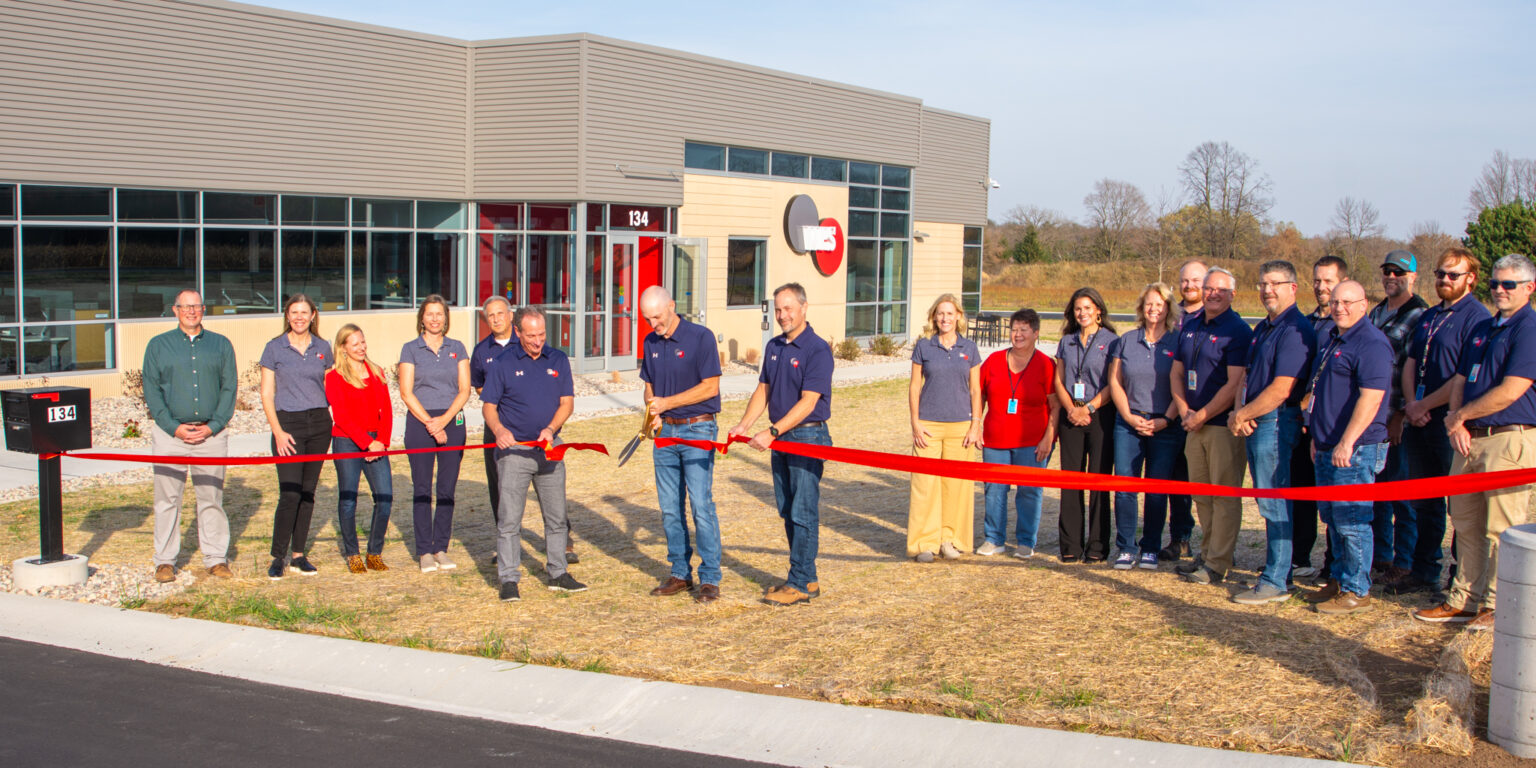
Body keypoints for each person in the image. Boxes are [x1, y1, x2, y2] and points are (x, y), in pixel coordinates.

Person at [1414, 254, 1536, 631]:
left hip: (1508, 439)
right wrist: (1456, 422)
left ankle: (1498, 605)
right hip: (1468, 439)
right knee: (1465, 524)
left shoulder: (1529, 329)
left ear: (1529, 288)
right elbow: (1460, 380)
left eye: (1509, 284)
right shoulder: (1484, 327)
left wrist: (1460, 416)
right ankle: (1464, 600)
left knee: (1502, 529)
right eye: (1495, 283)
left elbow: (1512, 390)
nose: (1499, 290)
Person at [729, 283, 834, 607]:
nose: (782, 315)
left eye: (788, 308)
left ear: (804, 307)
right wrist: (744, 425)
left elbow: (809, 402)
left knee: (803, 511)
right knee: (788, 510)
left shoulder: (817, 349)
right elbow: (764, 389)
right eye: (778, 309)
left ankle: (799, 583)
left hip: (807, 437)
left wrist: (772, 431)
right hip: (782, 439)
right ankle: (807, 577)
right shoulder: (774, 346)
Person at [1394, 248, 1489, 594]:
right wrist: (1411, 405)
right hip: (1418, 419)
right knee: (1424, 500)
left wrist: (1425, 405)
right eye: (1439, 274)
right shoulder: (1429, 315)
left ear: (1470, 278)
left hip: (1449, 422)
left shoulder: (1477, 317)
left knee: (1460, 505)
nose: (1444, 280)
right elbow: (1410, 362)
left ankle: (1462, 576)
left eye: (1453, 275)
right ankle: (1423, 570)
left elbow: (1462, 377)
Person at [1301, 280, 1393, 615]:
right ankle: (1339, 580)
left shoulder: (1372, 344)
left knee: (1352, 520)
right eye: (1336, 302)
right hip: (1328, 445)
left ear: (1364, 305)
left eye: (1348, 302)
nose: (1340, 308)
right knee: (1334, 518)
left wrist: (1347, 442)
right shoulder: (1332, 338)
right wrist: (1319, 437)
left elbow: (1371, 399)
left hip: (1355, 449)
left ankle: (1357, 589)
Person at [482, 306, 585, 601]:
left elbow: (566, 403)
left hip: (549, 450)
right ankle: (508, 579)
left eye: (541, 334)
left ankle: (558, 573)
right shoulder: (502, 363)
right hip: (514, 453)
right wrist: (499, 430)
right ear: (517, 332)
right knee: (509, 520)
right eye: (531, 336)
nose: (538, 341)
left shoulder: (558, 359)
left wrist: (551, 428)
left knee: (557, 518)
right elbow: (489, 406)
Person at [1229, 261, 1315, 604]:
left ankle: (1277, 580)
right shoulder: (1264, 327)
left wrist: (1244, 414)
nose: (1267, 290)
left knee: (1274, 500)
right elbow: (1248, 376)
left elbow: (1282, 389)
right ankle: (1279, 571)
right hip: (1255, 420)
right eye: (1263, 284)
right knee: (1266, 498)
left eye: (1275, 283)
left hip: (1276, 422)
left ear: (1293, 288)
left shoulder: (1295, 329)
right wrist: (1240, 412)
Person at [142, 289, 236, 583]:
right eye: (186, 306)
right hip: (170, 436)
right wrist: (173, 427)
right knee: (167, 500)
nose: (191, 311)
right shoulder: (158, 346)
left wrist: (214, 426)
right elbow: (151, 390)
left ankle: (216, 558)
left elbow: (229, 388)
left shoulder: (221, 345)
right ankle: (165, 561)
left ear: (203, 309)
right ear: (175, 310)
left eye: (196, 306)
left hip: (210, 436)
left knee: (211, 499)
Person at [639, 285, 725, 603]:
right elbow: (649, 387)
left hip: (698, 429)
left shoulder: (701, 337)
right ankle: (679, 573)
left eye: (657, 317)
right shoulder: (650, 342)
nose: (653, 325)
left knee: (701, 505)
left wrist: (668, 403)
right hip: (665, 434)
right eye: (647, 319)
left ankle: (710, 578)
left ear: (672, 306)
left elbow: (710, 387)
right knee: (669, 509)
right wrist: (653, 410)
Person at [1170, 267, 1253, 586]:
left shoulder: (1238, 331)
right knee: (1202, 496)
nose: (1212, 294)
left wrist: (1202, 415)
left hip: (1220, 426)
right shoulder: (1190, 325)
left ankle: (1219, 563)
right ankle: (1206, 554)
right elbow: (1176, 372)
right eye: (1208, 288)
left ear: (1233, 294)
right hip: (1193, 425)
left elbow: (1235, 383)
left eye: (1220, 290)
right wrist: (1184, 410)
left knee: (1223, 496)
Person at [1106, 283, 1180, 570]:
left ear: (1168, 309)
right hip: (1129, 424)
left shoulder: (1177, 342)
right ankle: (1126, 547)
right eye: (1149, 303)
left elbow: (1181, 385)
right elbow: (1115, 382)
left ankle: (1150, 547)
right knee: (1125, 487)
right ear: (1141, 307)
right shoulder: (1127, 340)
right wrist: (1128, 416)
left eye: (1160, 304)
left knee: (1156, 489)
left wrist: (1166, 419)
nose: (1154, 309)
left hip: (1165, 425)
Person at [259, 293, 332, 580]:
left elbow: (332, 387)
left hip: (319, 425)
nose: (299, 317)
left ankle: (299, 555)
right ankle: (278, 556)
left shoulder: (323, 347)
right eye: (294, 312)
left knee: (307, 492)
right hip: (288, 424)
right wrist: (278, 431)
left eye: (304, 312)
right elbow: (267, 393)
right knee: (289, 493)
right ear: (287, 316)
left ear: (313, 315)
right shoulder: (274, 348)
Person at [1368, 250, 1429, 583]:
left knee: (1401, 494)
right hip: (1371, 417)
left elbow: (1417, 370)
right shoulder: (1376, 312)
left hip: (1397, 418)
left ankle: (1404, 562)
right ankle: (1381, 557)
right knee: (1376, 492)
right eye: (1387, 271)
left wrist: (1401, 416)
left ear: (1413, 277)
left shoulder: (1420, 315)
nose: (1391, 277)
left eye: (1399, 272)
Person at [907, 293, 982, 563]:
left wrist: (975, 425)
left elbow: (976, 390)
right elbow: (914, 387)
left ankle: (949, 539)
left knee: (955, 486)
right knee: (924, 486)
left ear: (958, 316)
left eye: (950, 313)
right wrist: (915, 422)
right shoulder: (924, 347)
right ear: (934, 317)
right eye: (940, 313)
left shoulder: (970, 348)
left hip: (961, 427)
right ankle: (924, 543)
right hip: (928, 426)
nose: (945, 318)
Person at [977, 308, 1057, 559]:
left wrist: (1048, 437)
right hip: (996, 440)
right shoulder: (993, 361)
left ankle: (1025, 541)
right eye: (1014, 329)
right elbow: (979, 395)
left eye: (1024, 329)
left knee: (1029, 491)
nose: (1018, 334)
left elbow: (1055, 406)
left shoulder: (1046, 365)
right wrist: (975, 424)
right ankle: (993, 539)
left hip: (1032, 442)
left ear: (1036, 333)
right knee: (994, 490)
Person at [399, 294, 471, 573]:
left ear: (446, 318)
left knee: (446, 487)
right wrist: (431, 423)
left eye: (439, 314)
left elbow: (464, 390)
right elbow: (406, 392)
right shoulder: (410, 349)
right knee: (422, 488)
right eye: (429, 314)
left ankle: (441, 547)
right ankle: (424, 551)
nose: (435, 319)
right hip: (421, 422)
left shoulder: (457, 347)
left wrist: (444, 421)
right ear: (422, 318)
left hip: (452, 421)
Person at [1292, 255, 1348, 580]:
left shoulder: (1344, 327)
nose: (1321, 287)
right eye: (1317, 280)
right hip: (1299, 423)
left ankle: (1333, 565)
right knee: (1301, 493)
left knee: (1333, 500)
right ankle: (1299, 556)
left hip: (1329, 426)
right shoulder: (1306, 322)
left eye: (1328, 281)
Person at [1053, 287, 1117, 563]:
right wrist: (1071, 409)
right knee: (1070, 482)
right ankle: (1070, 545)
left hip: (1100, 415)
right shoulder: (1066, 342)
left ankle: (1097, 547)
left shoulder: (1112, 341)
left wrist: (1088, 408)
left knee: (1099, 481)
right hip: (1071, 416)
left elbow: (1113, 383)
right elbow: (1059, 379)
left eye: (1088, 308)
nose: (1083, 313)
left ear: (1098, 310)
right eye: (1078, 308)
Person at [326, 323, 394, 574]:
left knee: (385, 497)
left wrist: (381, 442)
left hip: (377, 442)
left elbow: (387, 410)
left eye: (362, 342)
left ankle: (374, 552)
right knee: (348, 500)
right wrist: (366, 443)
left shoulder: (376, 372)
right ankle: (352, 553)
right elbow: (341, 416)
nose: (361, 347)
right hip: (347, 441)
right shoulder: (334, 377)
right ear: (343, 348)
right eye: (354, 344)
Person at [1160, 259, 1207, 561]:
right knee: (1176, 480)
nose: (1189, 286)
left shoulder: (1212, 316)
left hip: (1202, 414)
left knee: (1205, 481)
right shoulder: (1170, 315)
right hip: (1172, 410)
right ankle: (1180, 538)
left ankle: (1217, 544)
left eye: (1195, 281)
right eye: (1185, 281)